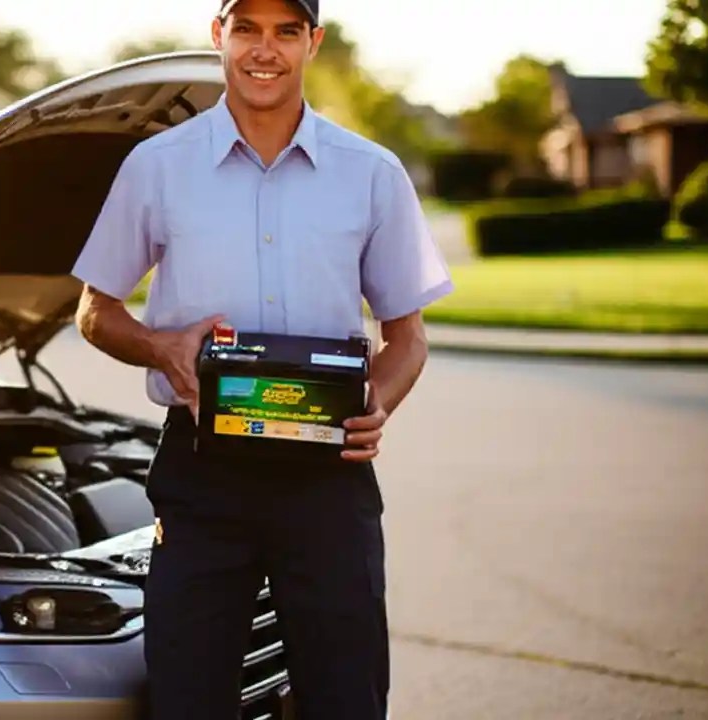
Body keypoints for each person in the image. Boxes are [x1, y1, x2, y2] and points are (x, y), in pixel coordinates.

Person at [70, 0, 454, 717]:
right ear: (218, 35)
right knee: (189, 698)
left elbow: (408, 336)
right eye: (246, 27)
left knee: (347, 697)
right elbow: (94, 311)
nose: (264, 49)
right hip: (201, 477)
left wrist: (379, 405)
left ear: (314, 41)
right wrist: (161, 345)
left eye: (285, 30)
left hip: (328, 480)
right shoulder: (156, 167)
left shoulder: (371, 173)